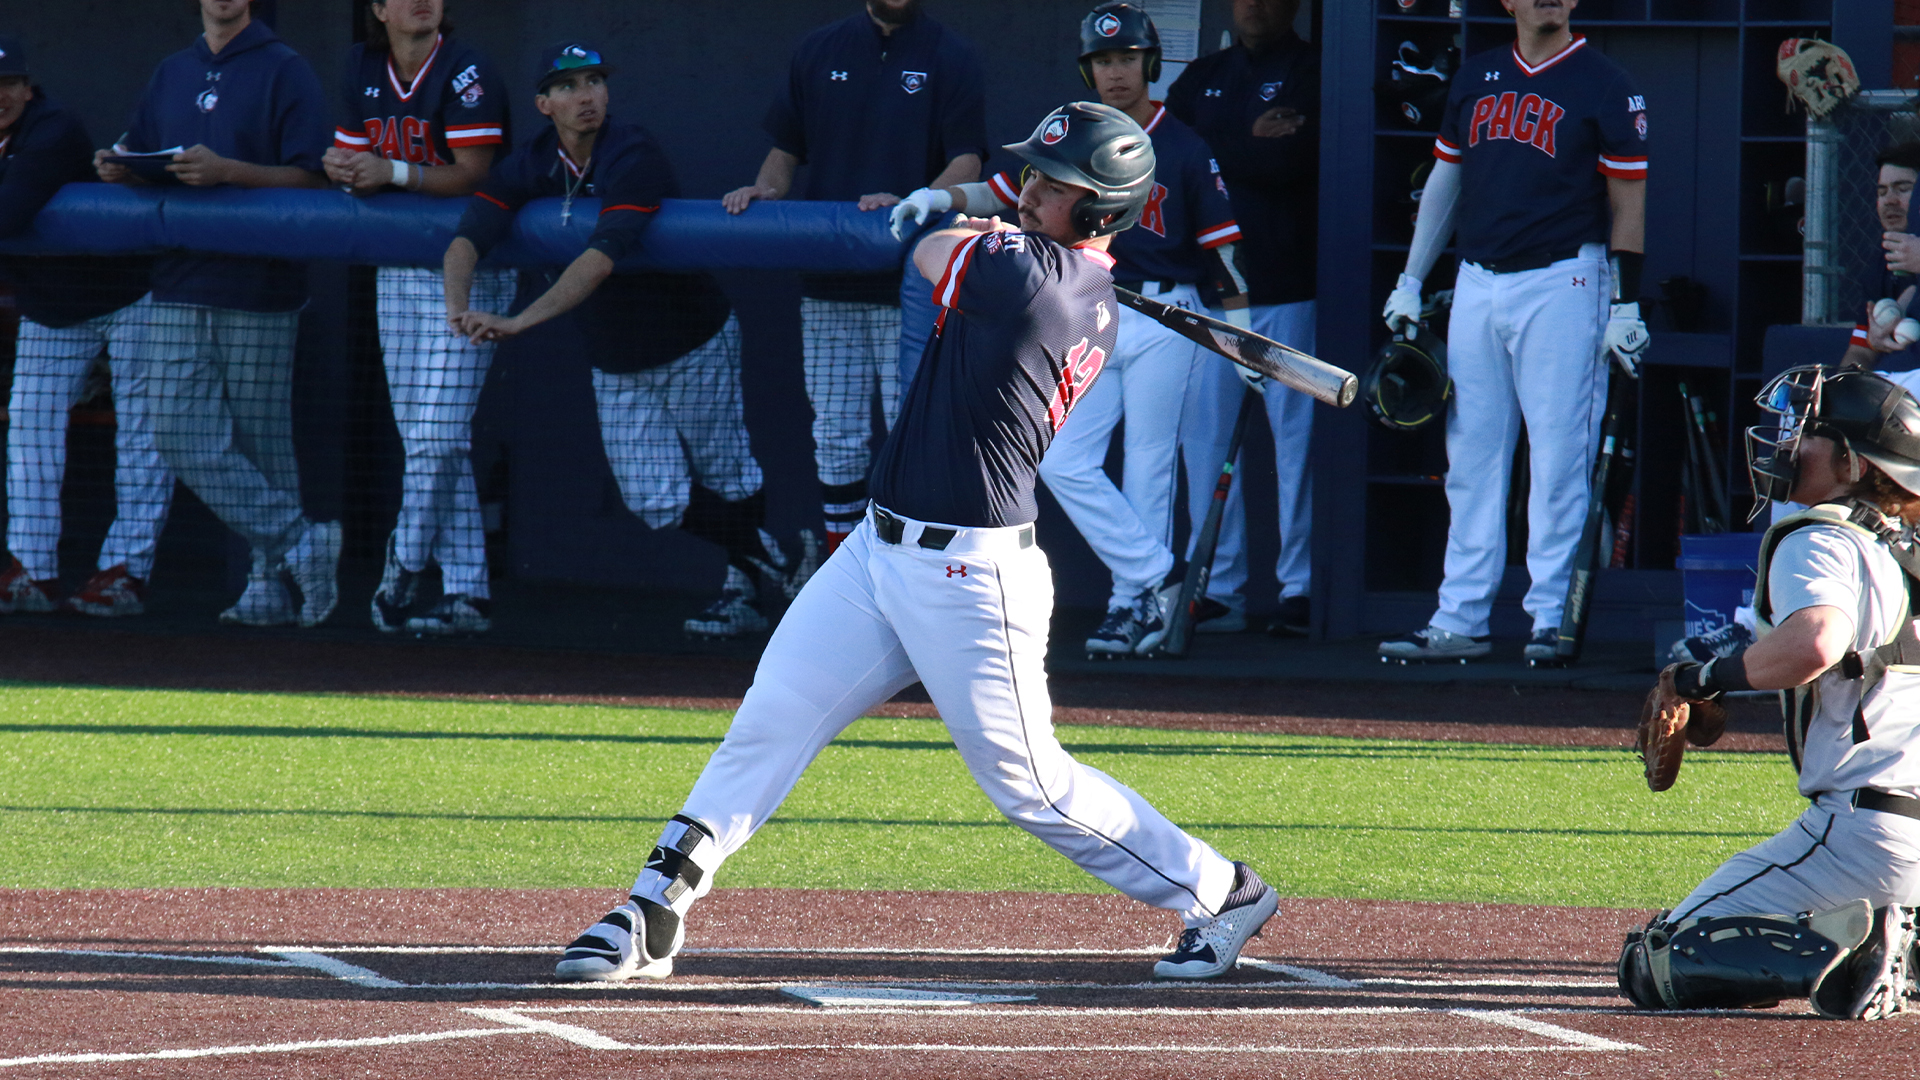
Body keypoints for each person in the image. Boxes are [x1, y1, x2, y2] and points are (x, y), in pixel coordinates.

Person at [553, 103, 1277, 986]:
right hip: (876, 551)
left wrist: (953, 214)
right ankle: (651, 907)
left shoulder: (1038, 284)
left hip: (973, 575)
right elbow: (983, 235)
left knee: (1034, 788)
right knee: (771, 717)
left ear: (1102, 212)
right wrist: (983, 215)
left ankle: (1222, 891)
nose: (1031, 193)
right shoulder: (1055, 276)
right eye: (1036, 178)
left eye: (1055, 187)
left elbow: (928, 251)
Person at [890, 3, 1250, 659]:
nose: (1116, 72)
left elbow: (1224, 248)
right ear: (1090, 69)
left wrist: (1242, 328)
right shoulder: (1072, 134)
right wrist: (942, 199)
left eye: (1127, 58)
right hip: (1079, 306)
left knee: (1149, 470)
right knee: (1062, 459)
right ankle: (1158, 581)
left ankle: (1129, 606)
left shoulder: (1184, 144)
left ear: (1150, 62)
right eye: (1104, 60)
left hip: (1163, 311)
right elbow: (999, 190)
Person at [446, 43, 810, 637]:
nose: (584, 95)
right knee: (653, 497)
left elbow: (600, 260)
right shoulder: (532, 160)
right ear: (543, 103)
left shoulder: (632, 150)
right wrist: (457, 307)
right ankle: (783, 558)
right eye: (567, 87)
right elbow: (467, 237)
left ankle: (741, 595)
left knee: (729, 472)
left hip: (689, 339)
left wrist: (518, 322)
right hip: (613, 357)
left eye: (593, 82)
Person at [1618, 366, 1919, 1021]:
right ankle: (1903, 944)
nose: (1787, 443)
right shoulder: (1907, 552)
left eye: (1809, 433)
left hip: (1866, 833)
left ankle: (1863, 948)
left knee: (1656, 961)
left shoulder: (1821, 537)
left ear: (1850, 461)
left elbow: (1815, 643)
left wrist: (1704, 680)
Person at [1378, 0, 1648, 664]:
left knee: (1559, 458)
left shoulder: (1607, 83)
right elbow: (1446, 179)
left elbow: (1629, 200)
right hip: (1476, 277)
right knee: (1470, 455)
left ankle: (1549, 617)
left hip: (1564, 278)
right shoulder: (1477, 76)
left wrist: (1627, 301)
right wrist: (1411, 278)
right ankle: (1460, 616)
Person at [94, 0, 339, 627]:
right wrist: (123, 167)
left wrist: (230, 171)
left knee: (264, 445)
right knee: (176, 434)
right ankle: (300, 542)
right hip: (180, 278)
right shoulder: (173, 70)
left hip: (260, 285)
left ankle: (266, 585)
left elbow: (317, 181)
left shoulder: (285, 67)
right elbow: (146, 152)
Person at [722, 0, 987, 555]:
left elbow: (967, 162)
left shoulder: (951, 53)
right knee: (836, 436)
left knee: (911, 436)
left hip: (911, 289)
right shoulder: (819, 49)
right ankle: (845, 569)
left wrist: (918, 197)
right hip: (829, 284)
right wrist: (766, 191)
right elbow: (785, 148)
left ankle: (906, 565)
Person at [324, 0, 511, 635]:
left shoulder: (467, 68)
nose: (419, 2)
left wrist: (391, 170)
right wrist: (342, 167)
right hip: (399, 268)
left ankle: (401, 568)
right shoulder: (362, 65)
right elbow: (353, 157)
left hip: (475, 270)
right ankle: (467, 593)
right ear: (378, 9)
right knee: (430, 441)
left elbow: (475, 173)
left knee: (436, 434)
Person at [0, 34, 173, 617]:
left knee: (143, 436)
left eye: (7, 85)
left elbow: (8, 211)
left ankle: (125, 570)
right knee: (29, 427)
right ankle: (32, 569)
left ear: (27, 88)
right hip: (52, 303)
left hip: (128, 294)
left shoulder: (53, 129)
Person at [1167, 0, 1321, 638]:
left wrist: (1221, 149)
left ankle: (1301, 590)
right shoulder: (1198, 77)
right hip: (1210, 296)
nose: (1255, 5)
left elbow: (1295, 162)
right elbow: (1171, 168)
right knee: (1201, 446)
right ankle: (1217, 590)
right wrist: (1246, 140)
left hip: (1289, 286)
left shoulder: (1313, 70)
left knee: (1298, 449)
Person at [1841, 142, 1920, 392]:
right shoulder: (1880, 264)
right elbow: (1859, 352)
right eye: (1882, 191)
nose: (1889, 201)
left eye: (1903, 189)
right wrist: (1840, 395)